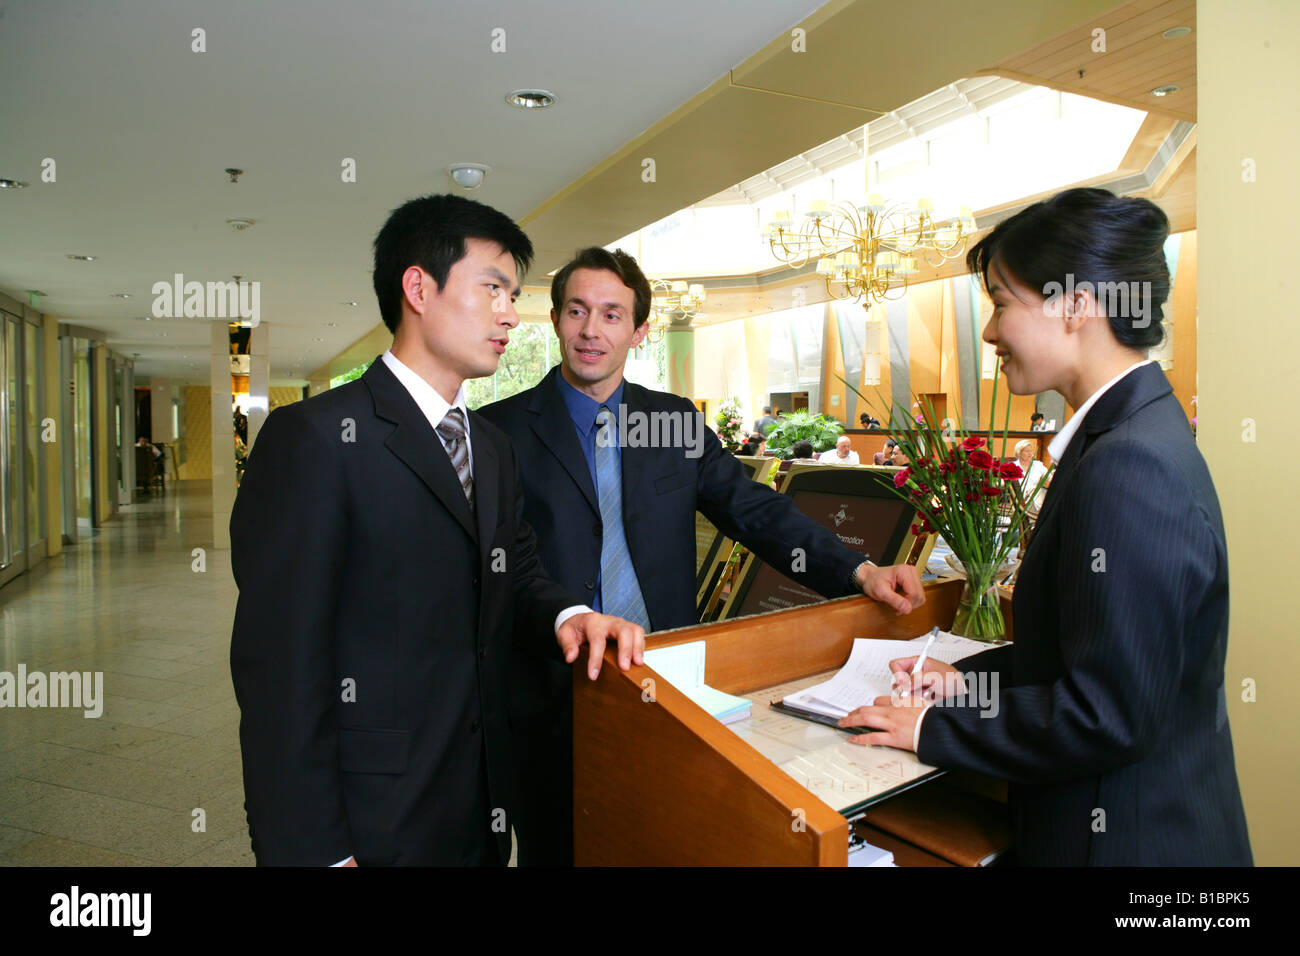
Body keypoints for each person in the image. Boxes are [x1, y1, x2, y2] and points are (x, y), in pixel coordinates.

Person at [837, 187, 1252, 865]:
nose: (991, 332)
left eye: (1001, 302)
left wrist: (935, 726)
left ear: (1077, 304)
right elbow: (1085, 655)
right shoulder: (1130, 432)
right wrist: (967, 682)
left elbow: (1107, 714)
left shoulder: (1129, 464)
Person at [229, 195, 644, 866]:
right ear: (419, 287)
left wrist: (569, 615)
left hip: (479, 806)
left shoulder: (490, 445)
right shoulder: (317, 440)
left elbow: (519, 574)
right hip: (373, 823)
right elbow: (279, 671)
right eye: (492, 289)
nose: (511, 313)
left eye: (514, 295)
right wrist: (315, 853)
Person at [478, 246, 925, 866]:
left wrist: (860, 570)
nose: (590, 330)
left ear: (638, 331)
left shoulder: (675, 424)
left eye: (611, 315)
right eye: (576, 310)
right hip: (550, 695)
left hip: (670, 683)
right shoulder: (495, 432)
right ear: (554, 320)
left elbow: (758, 513)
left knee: (670, 839)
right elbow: (498, 571)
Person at [1013, 438, 1048, 512]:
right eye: (1027, 451)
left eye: (1031, 451)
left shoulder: (1038, 465)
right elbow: (1003, 483)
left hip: (1036, 500)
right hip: (1020, 501)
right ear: (1019, 452)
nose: (1030, 454)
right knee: (1034, 490)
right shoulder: (1013, 466)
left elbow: (1050, 477)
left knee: (1040, 491)